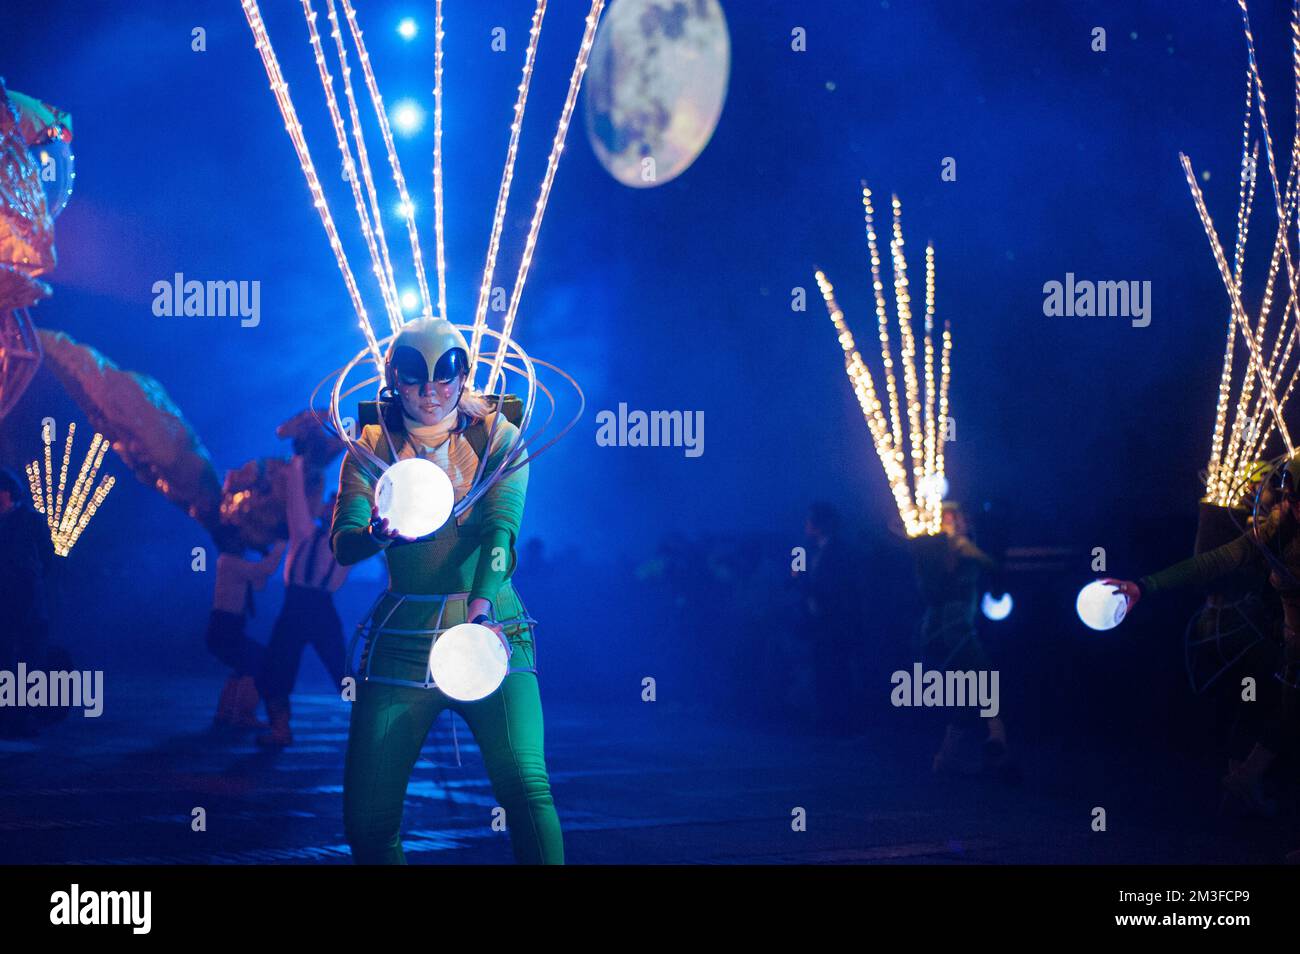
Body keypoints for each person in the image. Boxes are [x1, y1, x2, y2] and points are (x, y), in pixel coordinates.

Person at [332, 317, 562, 865]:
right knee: (366, 820)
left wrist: (479, 616)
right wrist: (374, 535)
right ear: (393, 379)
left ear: (464, 377)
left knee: (526, 787)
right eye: (414, 378)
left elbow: (501, 535)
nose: (430, 390)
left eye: (445, 375)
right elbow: (343, 544)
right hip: (404, 640)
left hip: (490, 631)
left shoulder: (500, 437)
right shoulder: (369, 446)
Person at [1104, 461, 1300, 848]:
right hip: (1289, 651)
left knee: (1281, 720)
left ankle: (1246, 779)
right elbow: (1215, 560)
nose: (1291, 503)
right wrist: (1145, 586)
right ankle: (1244, 782)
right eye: (1290, 495)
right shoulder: (1273, 532)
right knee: (1281, 720)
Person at [255, 454, 349, 747]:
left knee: (341, 671)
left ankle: (374, 724)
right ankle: (280, 730)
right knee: (276, 668)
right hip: (295, 606)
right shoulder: (305, 531)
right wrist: (298, 462)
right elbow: (295, 499)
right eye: (330, 500)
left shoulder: (349, 541)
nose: (329, 505)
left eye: (337, 502)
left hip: (318, 607)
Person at [911, 502, 1011, 775]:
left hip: (943, 630)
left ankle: (948, 758)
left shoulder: (935, 552)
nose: (958, 521)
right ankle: (994, 738)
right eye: (951, 517)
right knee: (982, 681)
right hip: (955, 630)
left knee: (966, 693)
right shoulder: (950, 551)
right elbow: (991, 566)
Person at [798, 501, 864, 736]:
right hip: (820, 623)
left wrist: (819, 598)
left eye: (810, 520)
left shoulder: (840, 552)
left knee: (836, 672)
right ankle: (827, 719)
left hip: (835, 623)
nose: (806, 525)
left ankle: (840, 722)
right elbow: (800, 579)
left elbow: (843, 588)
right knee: (823, 671)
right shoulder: (811, 550)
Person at [209, 534, 286, 728]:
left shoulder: (232, 563)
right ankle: (243, 713)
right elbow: (264, 571)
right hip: (225, 627)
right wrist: (280, 544)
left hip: (228, 626)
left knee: (245, 664)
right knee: (257, 661)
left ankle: (226, 711)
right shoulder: (228, 561)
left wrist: (265, 552)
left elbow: (258, 583)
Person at [0, 467, 54, 738]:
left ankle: (21, 717)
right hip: (9, 603)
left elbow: (46, 560)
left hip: (25, 603)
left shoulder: (30, 521)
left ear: (6, 494)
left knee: (26, 660)